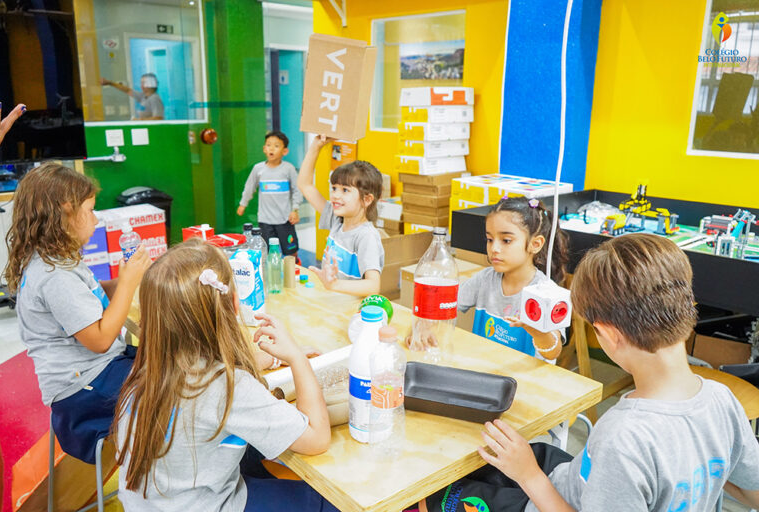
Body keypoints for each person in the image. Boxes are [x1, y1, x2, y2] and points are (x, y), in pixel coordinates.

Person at [419, 234, 759, 512]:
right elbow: (751, 489)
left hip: (548, 499)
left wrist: (529, 476)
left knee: (436, 494)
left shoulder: (622, 437)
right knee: (518, 456)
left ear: (609, 335)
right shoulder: (721, 400)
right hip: (573, 481)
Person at [113, 239, 338, 511]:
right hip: (205, 505)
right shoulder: (227, 387)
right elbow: (317, 439)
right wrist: (296, 358)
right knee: (326, 499)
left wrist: (267, 358)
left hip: (151, 504)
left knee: (253, 459)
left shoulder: (150, 367)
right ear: (233, 302)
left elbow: (201, 374)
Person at [4, 162, 151, 463]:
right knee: (177, 378)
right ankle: (163, 467)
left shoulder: (57, 258)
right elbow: (99, 339)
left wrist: (128, 280)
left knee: (172, 357)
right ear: (65, 213)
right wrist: (128, 284)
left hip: (98, 370)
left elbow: (92, 294)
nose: (96, 220)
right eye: (90, 210)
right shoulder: (54, 275)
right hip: (84, 390)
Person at [409, 196, 568, 362]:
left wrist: (537, 332)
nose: (494, 248)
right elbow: (444, 306)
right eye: (490, 239)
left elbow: (553, 352)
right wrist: (421, 327)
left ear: (535, 244)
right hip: (485, 372)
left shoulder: (547, 293)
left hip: (524, 382)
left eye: (506, 240)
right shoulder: (485, 279)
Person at [297, 135, 384, 297]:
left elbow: (373, 286)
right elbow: (304, 185)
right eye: (334, 188)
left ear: (367, 199)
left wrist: (334, 284)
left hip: (349, 311)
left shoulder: (366, 236)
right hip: (331, 301)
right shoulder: (336, 218)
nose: (335, 195)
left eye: (345, 190)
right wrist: (315, 147)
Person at [237, 131, 302, 258]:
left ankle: (294, 271)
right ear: (264, 149)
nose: (271, 148)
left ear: (285, 151)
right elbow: (249, 187)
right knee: (266, 251)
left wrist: (295, 209)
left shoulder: (288, 169)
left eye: (276, 146)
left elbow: (297, 190)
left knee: (291, 251)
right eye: (268, 145)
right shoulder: (258, 169)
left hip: (285, 220)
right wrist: (243, 204)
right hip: (265, 220)